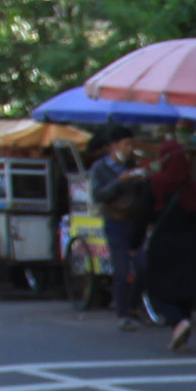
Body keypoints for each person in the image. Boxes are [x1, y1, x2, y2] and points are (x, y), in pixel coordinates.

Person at [141, 145, 196, 348]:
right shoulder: (194, 189)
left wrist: (133, 241)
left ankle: (177, 322)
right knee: (185, 291)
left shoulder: (154, 184)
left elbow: (142, 215)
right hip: (190, 245)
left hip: (163, 244)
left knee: (156, 289)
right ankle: (181, 333)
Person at [87, 132, 150, 315]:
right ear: (114, 146)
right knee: (121, 271)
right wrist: (120, 182)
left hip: (134, 222)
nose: (130, 149)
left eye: (131, 145)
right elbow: (98, 195)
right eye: (126, 145)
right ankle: (123, 313)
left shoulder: (133, 165)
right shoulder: (100, 168)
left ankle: (133, 305)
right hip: (114, 222)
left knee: (143, 266)